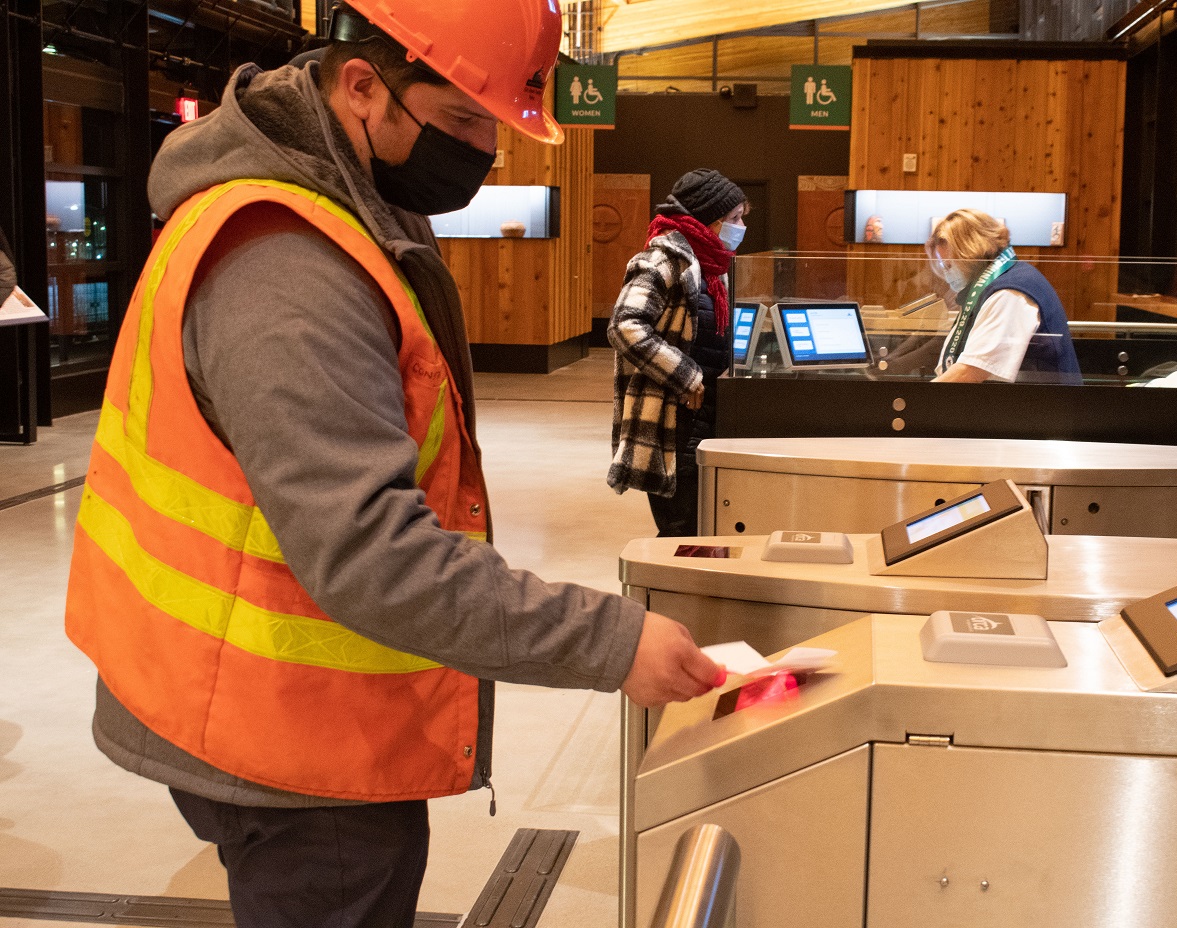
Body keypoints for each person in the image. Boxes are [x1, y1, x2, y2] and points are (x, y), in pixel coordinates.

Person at [63, 2, 722, 926]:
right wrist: (611, 643)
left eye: (495, 126)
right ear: (363, 86)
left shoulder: (345, 210)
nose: (481, 151)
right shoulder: (288, 263)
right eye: (460, 120)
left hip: (261, 706)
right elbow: (370, 552)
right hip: (288, 739)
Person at [607, 169, 748, 536]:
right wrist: (686, 375)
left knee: (703, 525)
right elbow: (625, 326)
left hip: (706, 415)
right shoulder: (661, 261)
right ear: (710, 219)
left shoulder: (713, 266)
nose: (741, 226)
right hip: (673, 419)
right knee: (680, 530)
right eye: (735, 218)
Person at [926, 208, 1082, 384]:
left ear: (970, 254)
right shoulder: (1004, 280)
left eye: (949, 265)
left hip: (1043, 400)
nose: (947, 274)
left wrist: (919, 397)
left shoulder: (1010, 292)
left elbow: (970, 371)